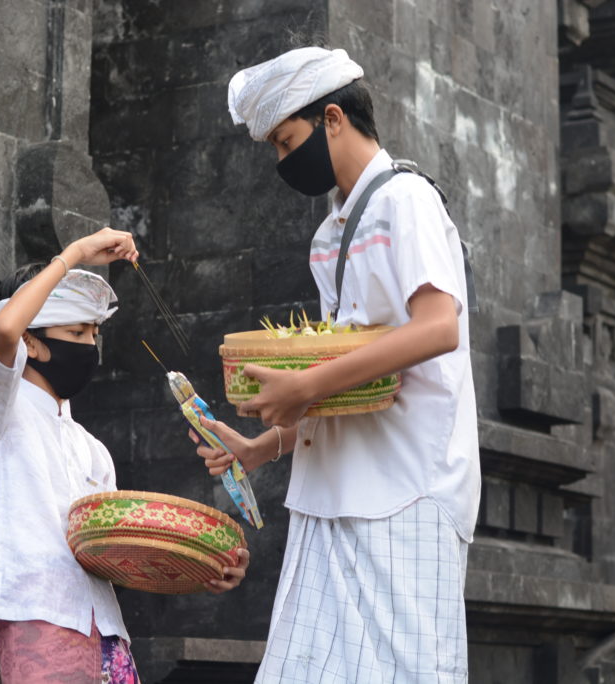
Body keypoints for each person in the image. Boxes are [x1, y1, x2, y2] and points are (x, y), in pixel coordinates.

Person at [191, 47, 480, 683]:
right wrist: (261, 446)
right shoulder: (332, 233)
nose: (281, 161)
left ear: (331, 119)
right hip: (332, 494)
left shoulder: (407, 200)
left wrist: (306, 384)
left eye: (285, 141)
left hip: (407, 490)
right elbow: (352, 387)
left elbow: (437, 328)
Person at [0, 226, 249, 684]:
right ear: (32, 342)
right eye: (76, 331)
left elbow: (119, 552)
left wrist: (202, 566)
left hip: (109, 631)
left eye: (93, 333)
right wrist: (76, 253)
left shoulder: (91, 447)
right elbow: (3, 328)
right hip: (39, 618)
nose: (88, 346)